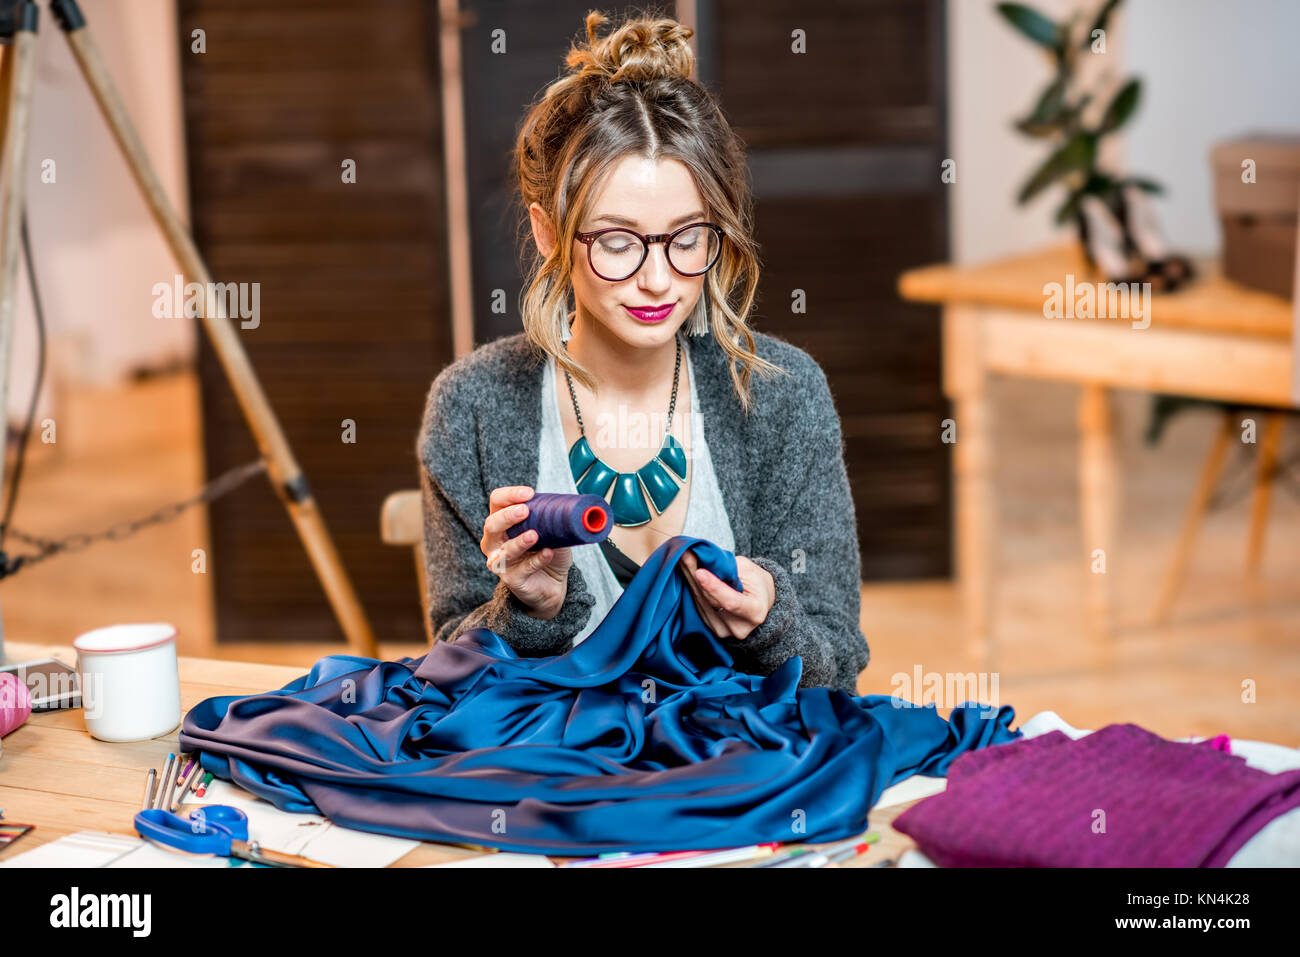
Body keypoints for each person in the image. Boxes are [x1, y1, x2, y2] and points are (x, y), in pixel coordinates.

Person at [418, 10, 869, 694]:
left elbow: (836, 678)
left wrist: (772, 622)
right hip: (559, 789)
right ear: (548, 234)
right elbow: (453, 685)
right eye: (618, 241)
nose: (658, 280)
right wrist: (530, 609)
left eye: (687, 237)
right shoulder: (473, 406)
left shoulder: (782, 395)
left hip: (733, 784)